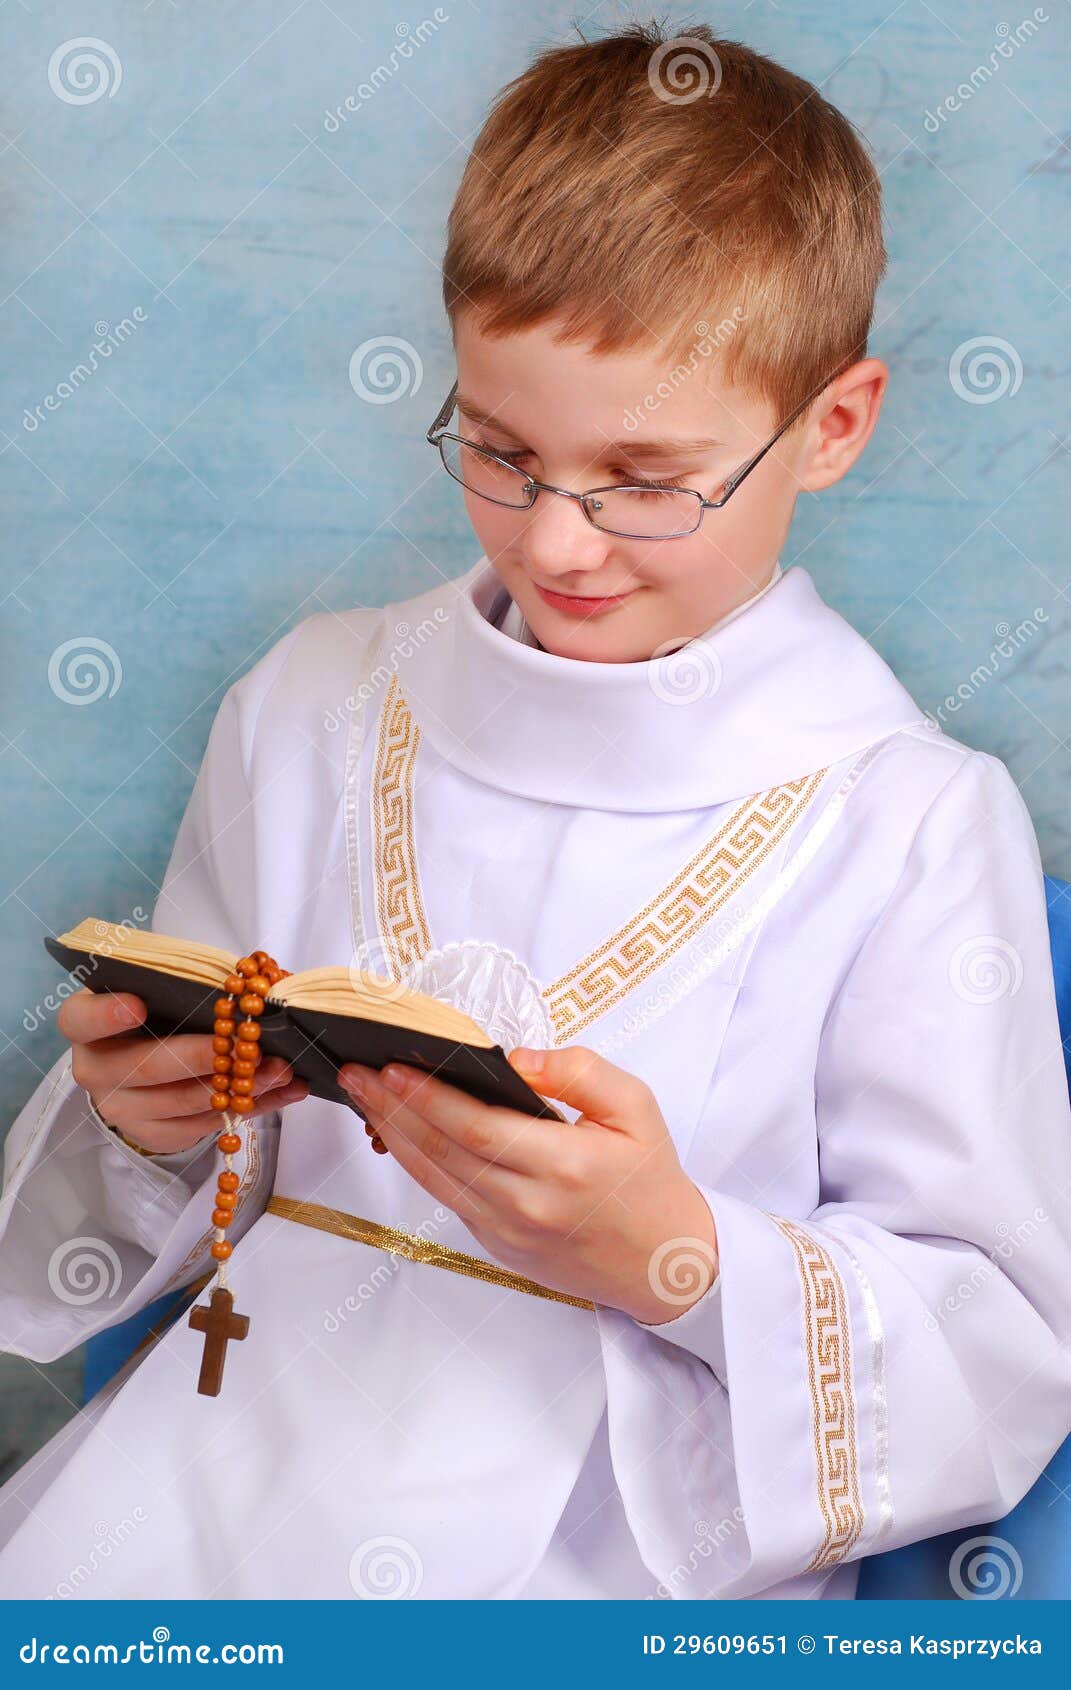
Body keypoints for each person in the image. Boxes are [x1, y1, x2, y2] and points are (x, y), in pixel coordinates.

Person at [1, 21, 1070, 1602]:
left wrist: (677, 1252)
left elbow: (998, 1337)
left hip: (624, 1551)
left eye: (647, 479)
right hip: (221, 1471)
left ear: (831, 426)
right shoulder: (309, 706)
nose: (557, 543)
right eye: (501, 452)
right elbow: (154, 1191)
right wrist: (151, 1120)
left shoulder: (906, 820)